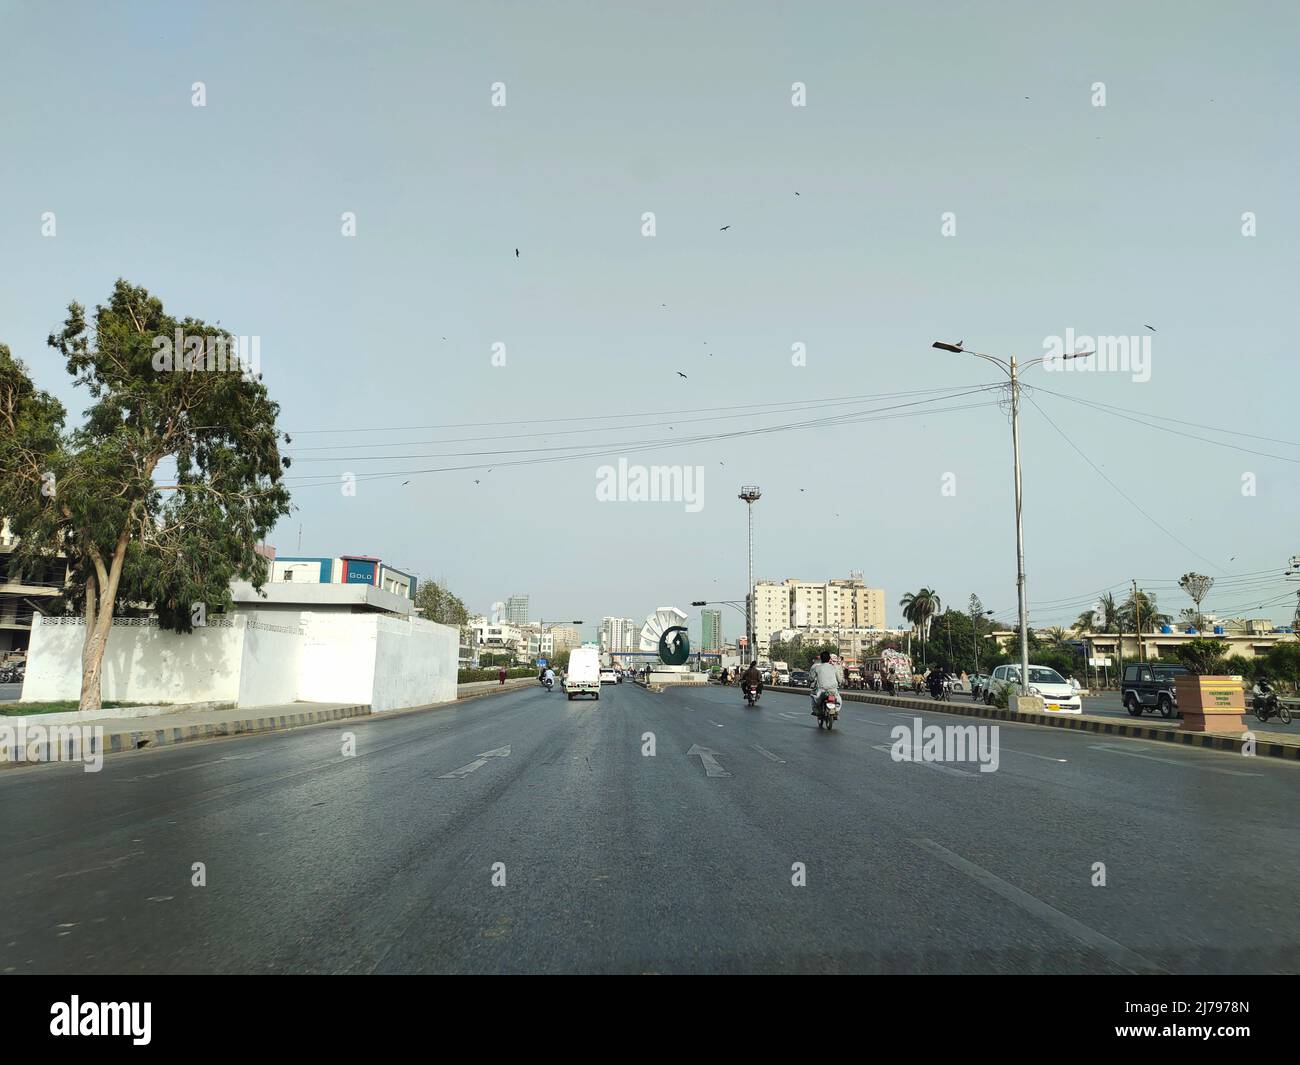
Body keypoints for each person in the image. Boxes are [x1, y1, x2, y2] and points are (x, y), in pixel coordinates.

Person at [809, 650, 841, 715]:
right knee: (839, 701)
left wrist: (811, 680)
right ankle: (836, 711)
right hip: (833, 690)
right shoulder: (834, 667)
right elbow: (839, 679)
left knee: (813, 697)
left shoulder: (817, 667)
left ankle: (816, 711)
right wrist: (840, 683)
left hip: (821, 690)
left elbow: (811, 678)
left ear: (820, 659)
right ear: (829, 659)